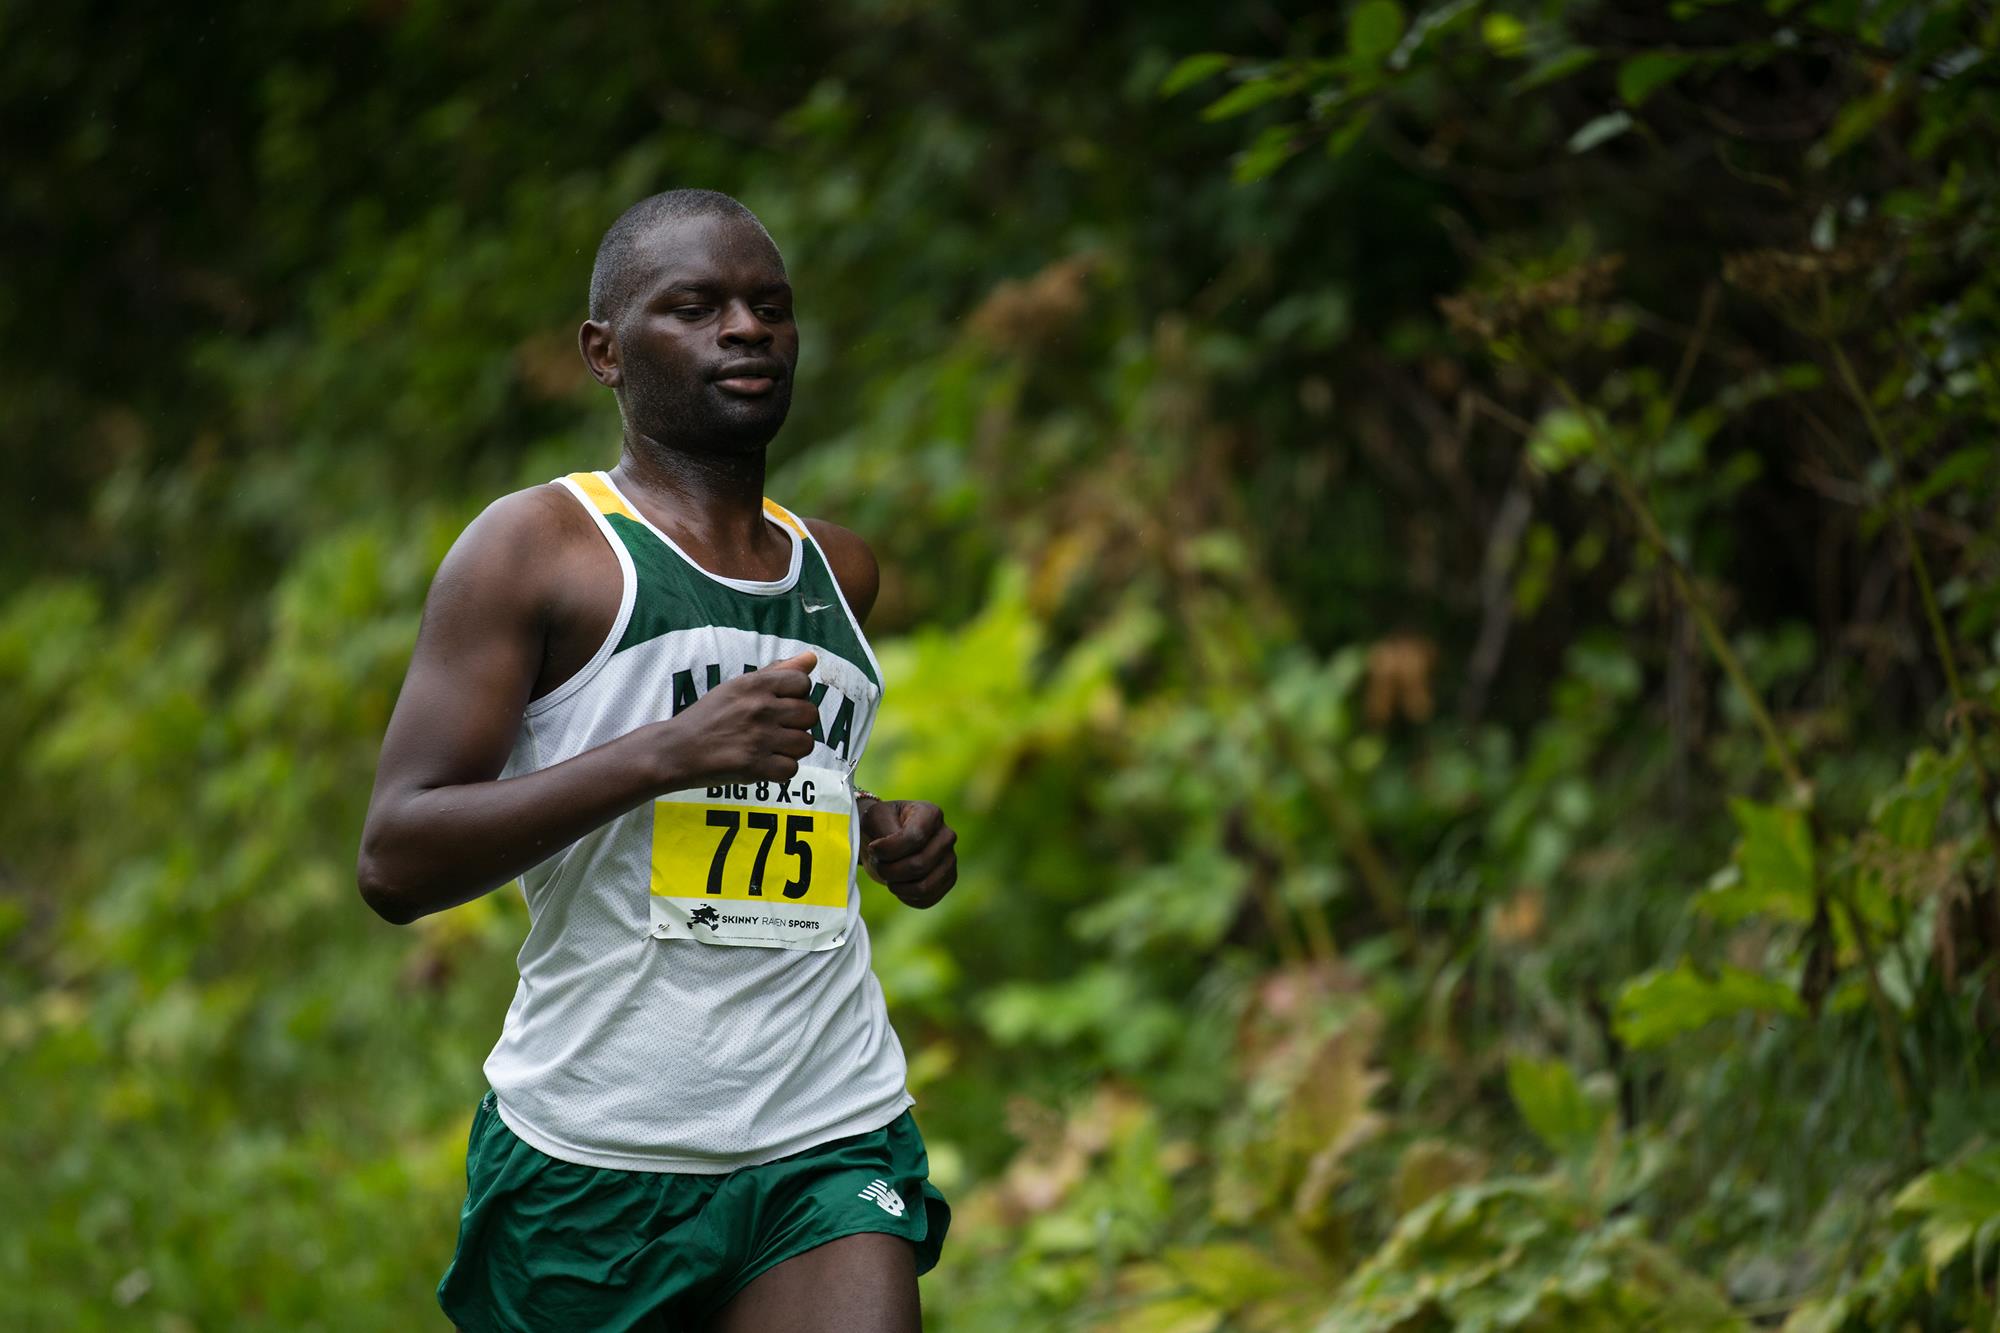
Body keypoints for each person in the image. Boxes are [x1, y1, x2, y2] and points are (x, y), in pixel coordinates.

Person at [357, 188, 959, 1332]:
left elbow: (776, 785)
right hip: (596, 1146)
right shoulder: (538, 550)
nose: (746, 330)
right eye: (694, 307)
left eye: (769, 308)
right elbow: (396, 856)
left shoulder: (838, 569)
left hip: (823, 1124)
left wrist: (879, 826)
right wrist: (664, 754)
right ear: (604, 352)